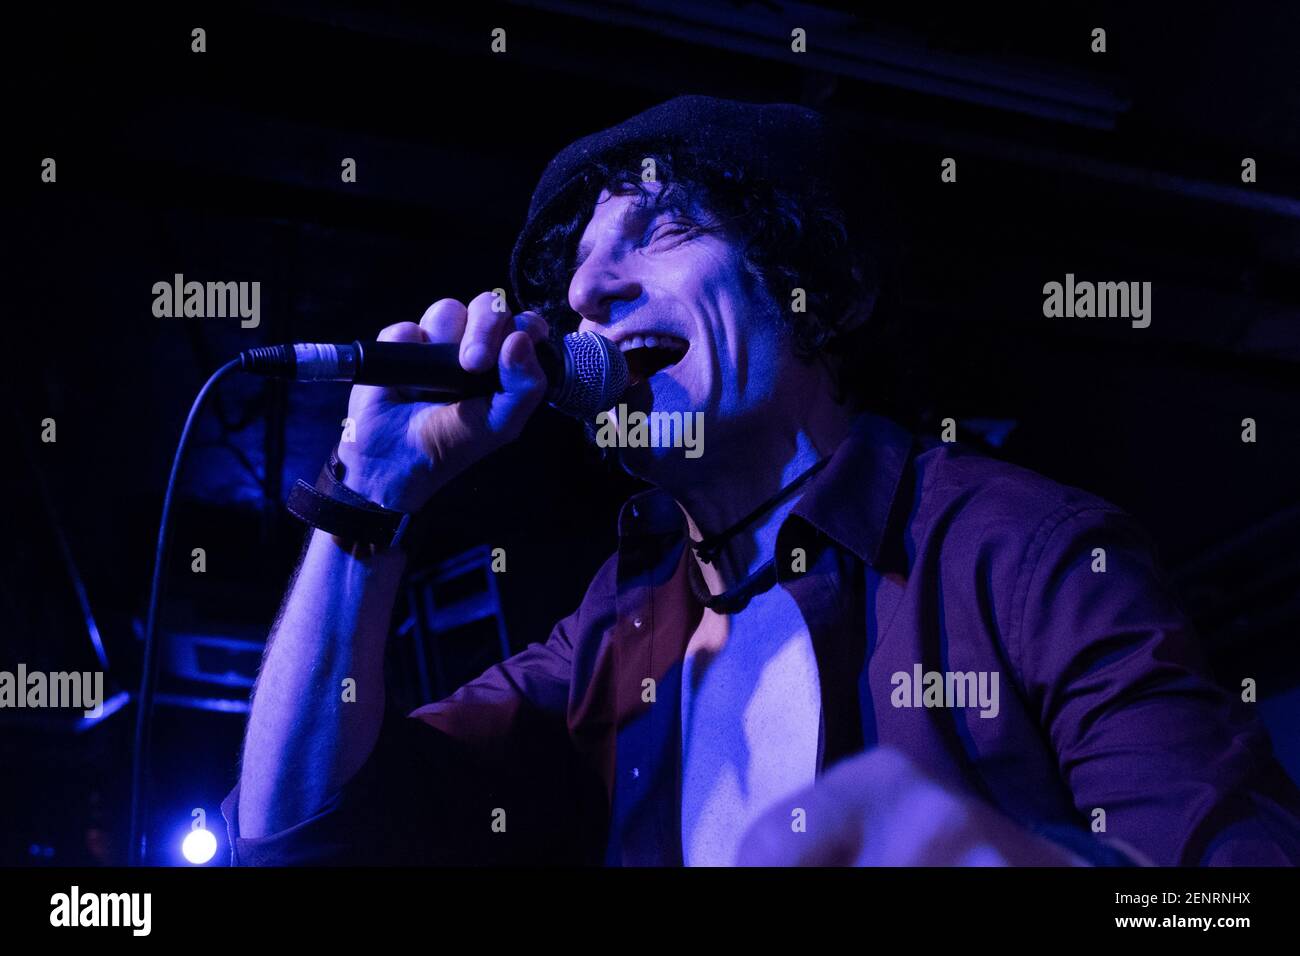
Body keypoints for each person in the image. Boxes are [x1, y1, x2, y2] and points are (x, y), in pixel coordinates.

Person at [223, 95, 1300, 866]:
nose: (591, 288)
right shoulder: (613, 631)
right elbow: (291, 834)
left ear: (804, 282)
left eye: (663, 229)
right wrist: (369, 498)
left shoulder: (1021, 552)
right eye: (580, 280)